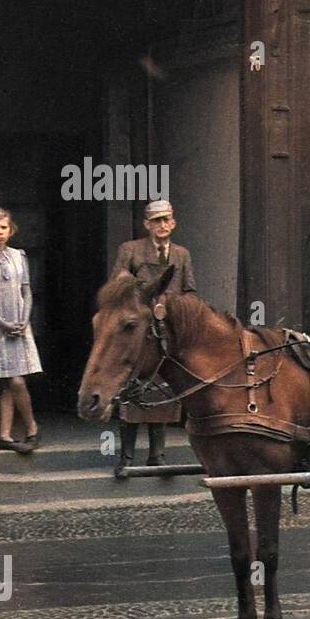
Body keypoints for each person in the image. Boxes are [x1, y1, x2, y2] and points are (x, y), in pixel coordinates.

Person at [111, 199, 197, 474]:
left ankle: (157, 455)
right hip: (139, 328)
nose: (161, 225)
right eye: (156, 221)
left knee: (162, 388)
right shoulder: (131, 250)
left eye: (166, 220)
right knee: (132, 388)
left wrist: (179, 309)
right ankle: (126, 457)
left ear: (173, 223)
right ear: (146, 224)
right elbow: (117, 284)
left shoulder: (182, 254)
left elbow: (190, 289)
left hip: (166, 330)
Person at [0, 207, 42, 454]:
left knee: (14, 380)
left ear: (10, 230)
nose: (0, 233)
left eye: (4, 228)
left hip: (19, 326)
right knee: (8, 381)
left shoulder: (18, 256)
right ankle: (25, 429)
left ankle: (11, 433)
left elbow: (26, 291)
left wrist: (24, 320)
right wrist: (2, 323)